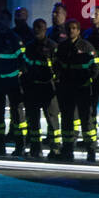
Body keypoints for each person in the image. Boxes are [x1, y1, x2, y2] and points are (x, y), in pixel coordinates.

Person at [53, 20, 99, 162]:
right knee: (67, 120)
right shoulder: (62, 47)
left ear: (79, 30)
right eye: (69, 28)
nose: (71, 31)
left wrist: (88, 81)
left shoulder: (87, 47)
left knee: (86, 121)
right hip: (67, 89)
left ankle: (91, 150)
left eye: (74, 28)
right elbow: (56, 65)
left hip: (82, 89)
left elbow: (96, 67)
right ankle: (67, 150)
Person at [20, 18, 60, 160]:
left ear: (45, 29)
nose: (37, 30)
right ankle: (35, 148)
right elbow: (24, 66)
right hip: (33, 88)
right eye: (35, 27)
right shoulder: (29, 47)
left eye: (40, 27)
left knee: (52, 119)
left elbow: (57, 68)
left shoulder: (53, 46)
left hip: (48, 88)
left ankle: (55, 148)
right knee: (33, 120)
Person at [0, 10, 27, 158]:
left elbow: (22, 61)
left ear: (9, 21)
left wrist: (20, 74)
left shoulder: (14, 39)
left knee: (17, 115)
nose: (0, 22)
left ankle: (20, 145)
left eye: (3, 19)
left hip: (12, 81)